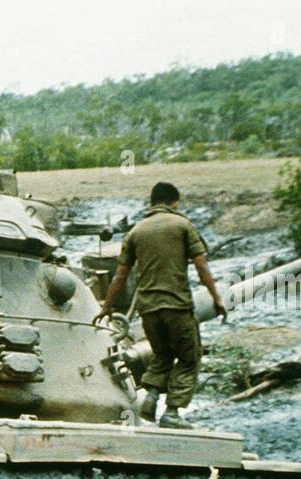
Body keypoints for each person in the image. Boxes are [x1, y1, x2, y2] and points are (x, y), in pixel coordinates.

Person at [93, 182, 227, 429]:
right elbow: (201, 265)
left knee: (162, 355)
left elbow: (120, 275)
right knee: (189, 358)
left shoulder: (136, 232)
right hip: (176, 306)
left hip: (148, 310)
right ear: (174, 202)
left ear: (152, 202)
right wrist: (217, 298)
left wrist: (106, 307)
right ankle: (172, 412)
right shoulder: (182, 225)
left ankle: (151, 397)